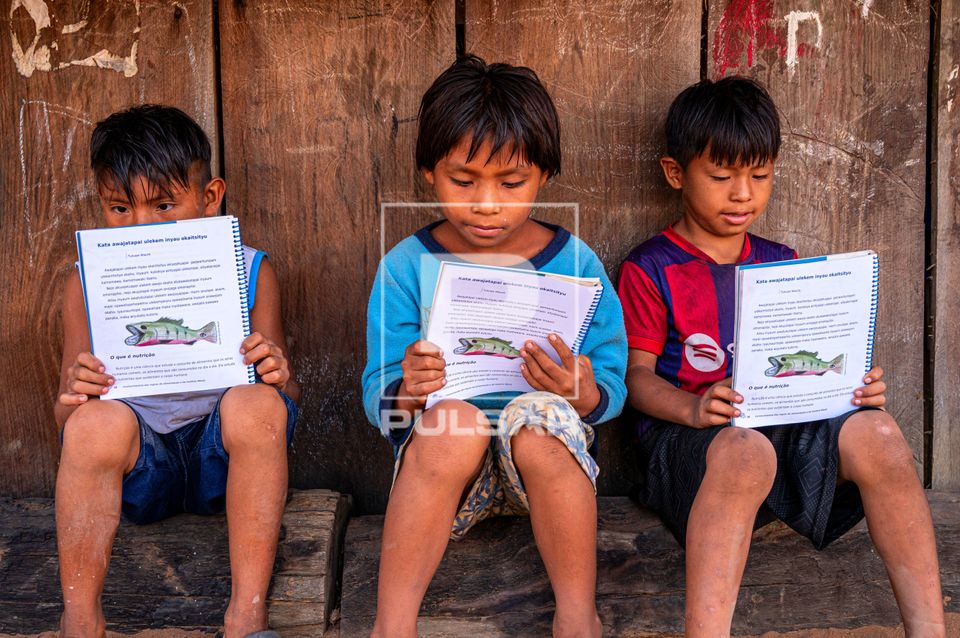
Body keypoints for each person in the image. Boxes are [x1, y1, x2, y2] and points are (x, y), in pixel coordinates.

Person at [618, 77, 945, 638]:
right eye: (721, 177)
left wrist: (849, 389)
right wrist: (694, 409)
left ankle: (931, 630)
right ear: (676, 173)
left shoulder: (783, 263)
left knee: (881, 435)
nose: (742, 193)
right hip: (691, 450)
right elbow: (635, 380)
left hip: (783, 432)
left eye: (759, 176)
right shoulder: (651, 267)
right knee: (745, 451)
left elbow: (812, 360)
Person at [361, 55, 627, 638]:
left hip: (545, 465)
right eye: (464, 181)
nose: (487, 203)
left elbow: (612, 378)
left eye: (511, 183)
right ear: (428, 172)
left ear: (544, 178)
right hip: (447, 470)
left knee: (541, 418)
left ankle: (577, 617)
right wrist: (408, 387)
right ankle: (392, 625)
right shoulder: (407, 267)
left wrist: (582, 390)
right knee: (452, 421)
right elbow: (377, 395)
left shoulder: (575, 264)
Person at [55, 105, 300, 638]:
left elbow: (285, 395)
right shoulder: (85, 281)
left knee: (258, 405)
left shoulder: (251, 269)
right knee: (93, 426)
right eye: (120, 208)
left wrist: (275, 372)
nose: (142, 226)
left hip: (221, 459)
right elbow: (64, 410)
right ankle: (80, 622)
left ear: (209, 198)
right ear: (101, 204)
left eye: (164, 205)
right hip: (142, 466)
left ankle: (246, 617)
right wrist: (79, 392)